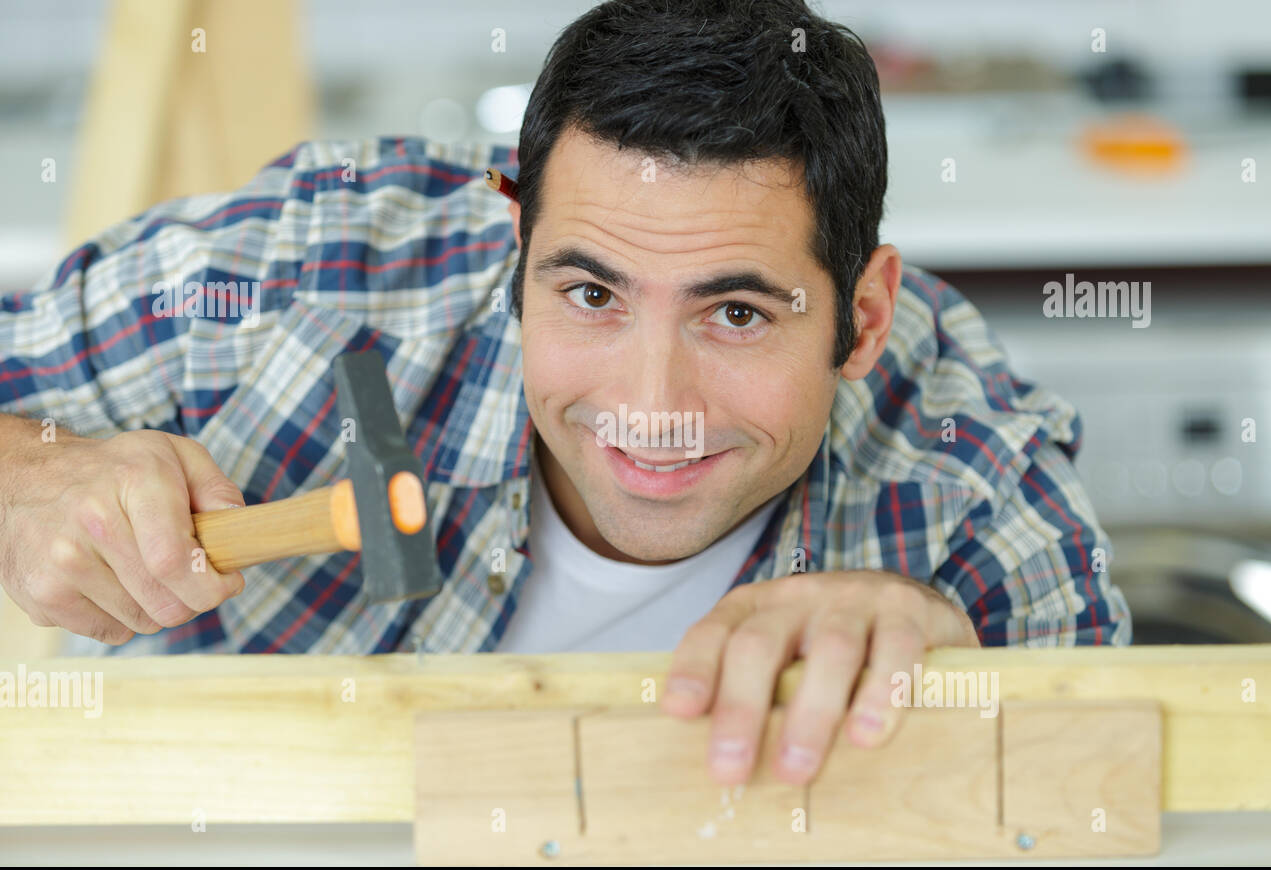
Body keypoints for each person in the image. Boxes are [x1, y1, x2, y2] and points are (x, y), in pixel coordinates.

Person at [0, 0, 1130, 785]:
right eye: (591, 293)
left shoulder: (965, 476)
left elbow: (1119, 798)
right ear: (514, 247)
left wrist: (963, 665)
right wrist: (30, 472)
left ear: (863, 318)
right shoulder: (298, 275)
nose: (651, 401)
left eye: (735, 313)